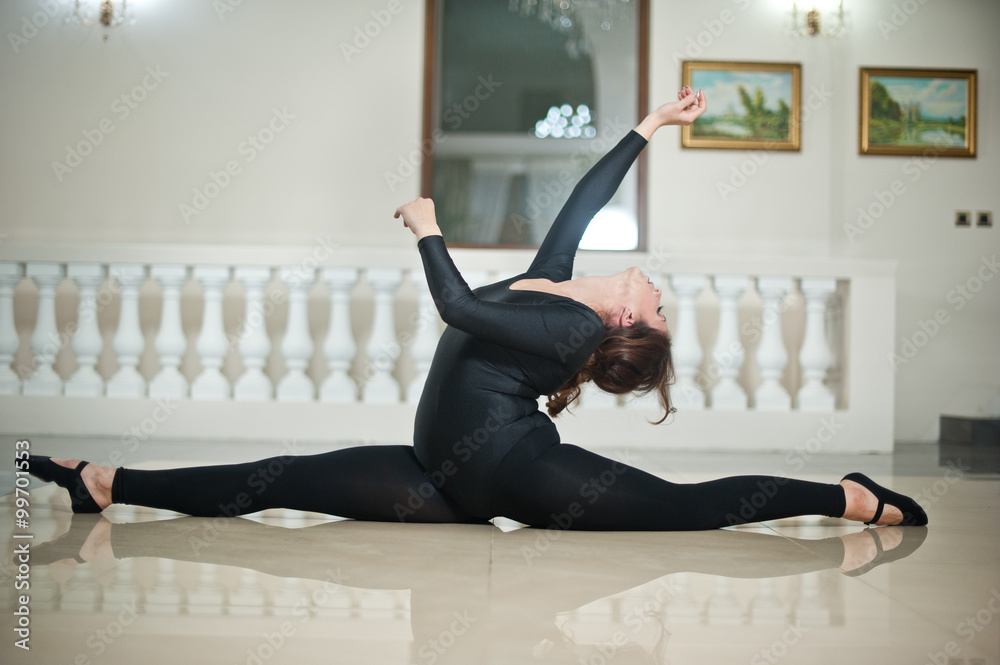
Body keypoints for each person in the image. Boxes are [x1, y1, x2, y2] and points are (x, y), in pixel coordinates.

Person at [23, 87, 927, 530]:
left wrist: (426, 227)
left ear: (624, 324)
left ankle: (849, 498)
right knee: (277, 477)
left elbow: (456, 306)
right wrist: (649, 128)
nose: (659, 288)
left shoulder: (573, 327)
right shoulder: (562, 284)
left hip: (516, 474)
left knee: (686, 508)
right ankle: (104, 481)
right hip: (441, 468)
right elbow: (581, 198)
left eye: (660, 304)